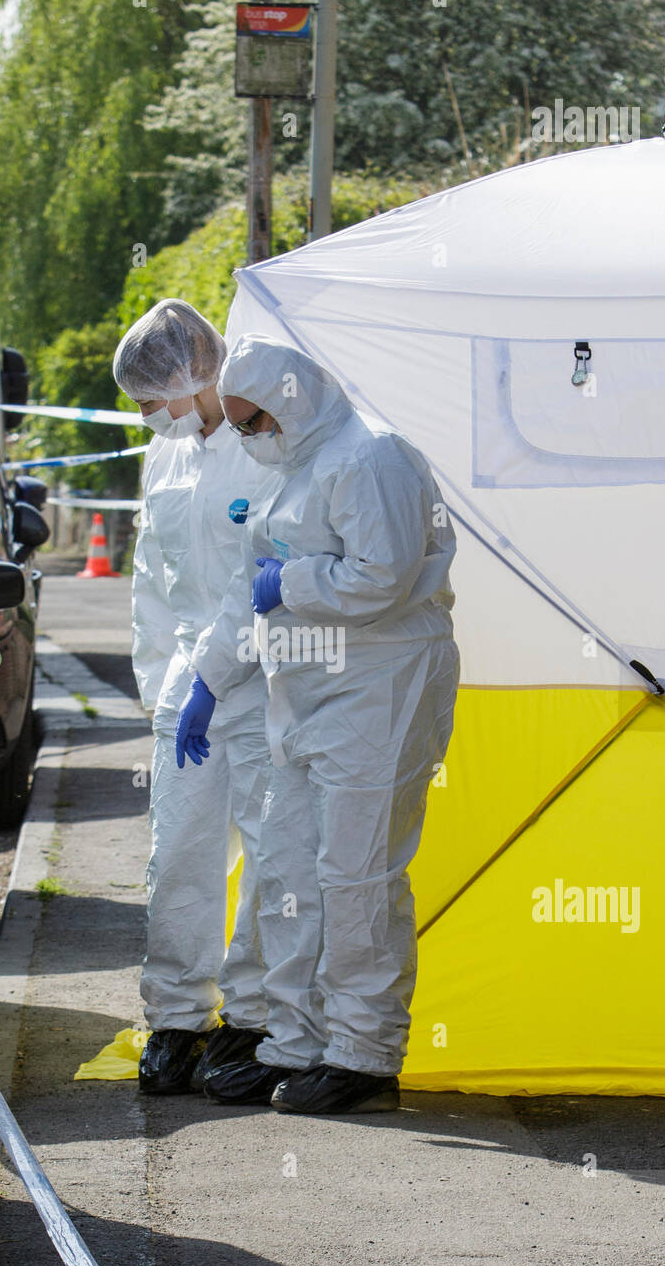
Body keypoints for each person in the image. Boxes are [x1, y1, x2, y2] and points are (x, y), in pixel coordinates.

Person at [175, 334, 460, 1115]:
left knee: (357, 872)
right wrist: (208, 678)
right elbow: (249, 591)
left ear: (289, 402)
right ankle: (293, 1044)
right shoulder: (291, 468)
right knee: (290, 869)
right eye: (237, 425)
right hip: (306, 693)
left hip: (383, 682)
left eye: (253, 420)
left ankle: (363, 1056)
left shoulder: (372, 458)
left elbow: (384, 577)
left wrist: (291, 583)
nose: (247, 437)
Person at [114, 301, 277, 1095]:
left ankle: (249, 1018)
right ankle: (176, 1018)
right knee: (179, 853)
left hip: (269, 680)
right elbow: (152, 578)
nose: (147, 415)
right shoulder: (166, 457)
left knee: (270, 855)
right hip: (188, 688)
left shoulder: (267, 446)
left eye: (152, 397)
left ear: (195, 375)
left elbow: (263, 580)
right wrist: (162, 687)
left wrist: (217, 672)